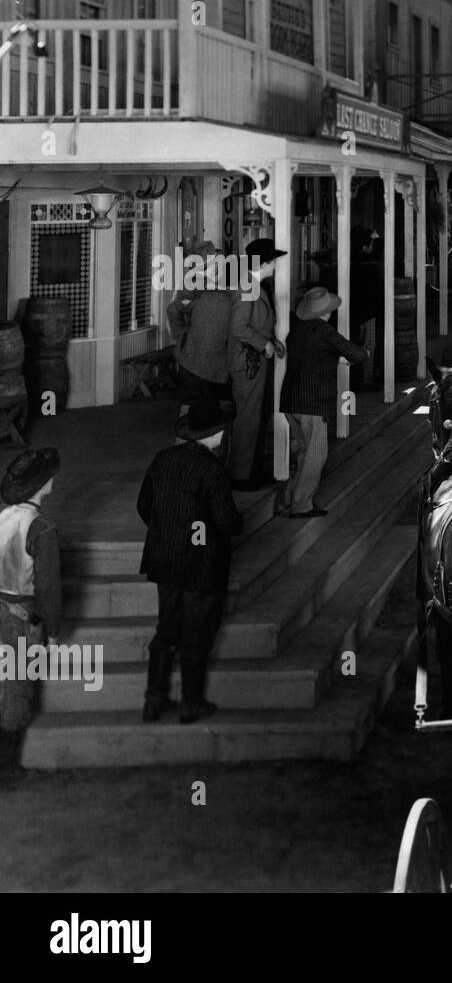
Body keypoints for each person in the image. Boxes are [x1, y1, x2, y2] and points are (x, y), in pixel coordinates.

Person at [137, 404, 243, 724]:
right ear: (214, 437)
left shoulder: (162, 459)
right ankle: (190, 703)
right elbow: (226, 522)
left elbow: (145, 506)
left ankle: (154, 700)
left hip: (165, 559)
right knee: (197, 634)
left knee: (166, 629)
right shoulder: (212, 470)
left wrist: (168, 532)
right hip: (202, 566)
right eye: (221, 432)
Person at [279, 287, 368, 519]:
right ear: (327, 312)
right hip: (313, 401)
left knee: (302, 451)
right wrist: (364, 353)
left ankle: (289, 497)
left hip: (290, 399)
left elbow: (312, 356)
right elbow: (356, 355)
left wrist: (334, 359)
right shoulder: (324, 331)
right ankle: (301, 505)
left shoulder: (296, 331)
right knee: (316, 454)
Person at [0, 449, 62, 774]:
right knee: (16, 688)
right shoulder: (42, 528)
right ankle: (7, 767)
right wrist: (52, 629)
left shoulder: (2, 517)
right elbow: (49, 588)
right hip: (18, 619)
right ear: (45, 484)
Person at [227, 239, 286, 491]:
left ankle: (253, 469)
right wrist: (264, 344)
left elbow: (257, 323)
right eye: (274, 261)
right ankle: (240, 476)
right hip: (247, 363)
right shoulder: (246, 288)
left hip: (257, 360)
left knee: (258, 416)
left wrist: (271, 340)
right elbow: (238, 327)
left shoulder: (255, 286)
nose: (276, 266)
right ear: (264, 263)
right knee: (248, 418)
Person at [166, 243, 235, 415]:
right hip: (198, 356)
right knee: (195, 406)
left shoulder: (221, 281)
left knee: (204, 405)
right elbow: (173, 310)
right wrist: (183, 335)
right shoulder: (192, 284)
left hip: (209, 355)